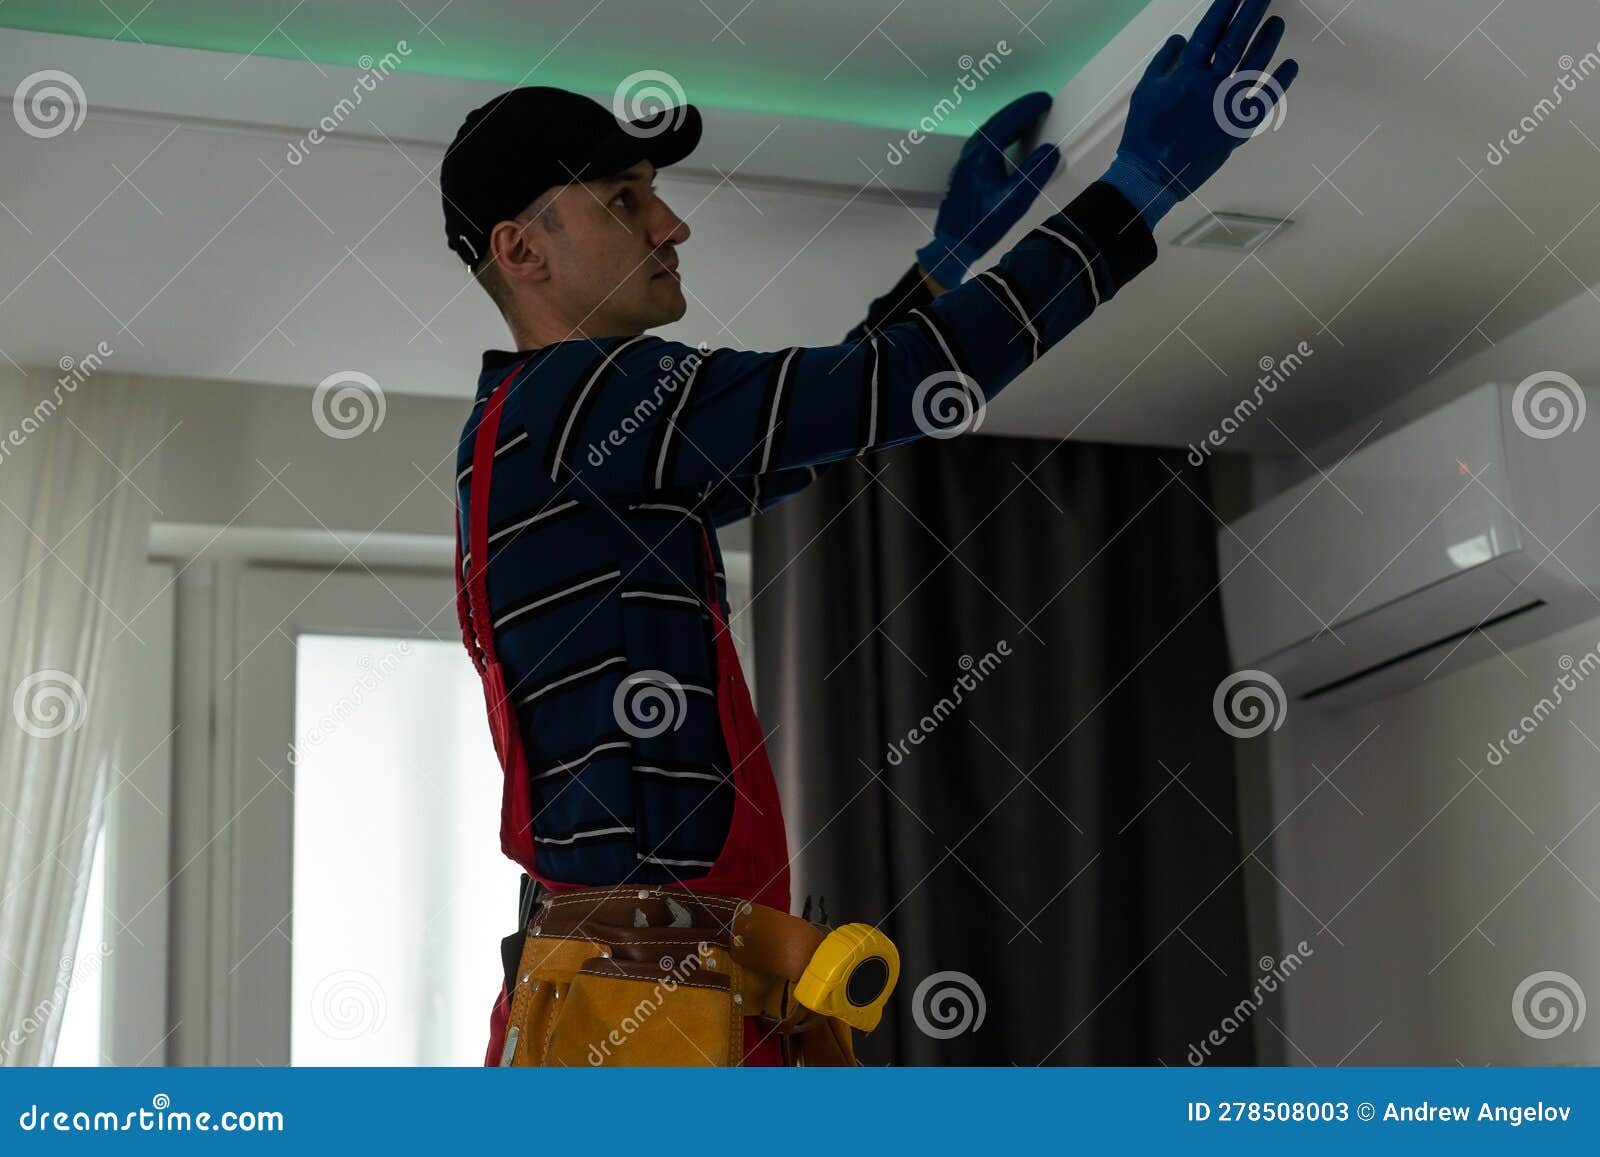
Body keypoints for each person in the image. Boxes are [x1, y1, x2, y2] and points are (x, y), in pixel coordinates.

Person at [441, 0, 1299, 1066]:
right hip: (650, 1010)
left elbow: (809, 433)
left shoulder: (521, 438)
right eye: (624, 199)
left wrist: (941, 268)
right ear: (521, 249)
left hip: (623, 996)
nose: (670, 225)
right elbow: (901, 385)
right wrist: (1136, 192)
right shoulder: (584, 398)